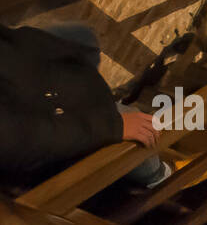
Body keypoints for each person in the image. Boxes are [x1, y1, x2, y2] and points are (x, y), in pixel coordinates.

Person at [0, 23, 168, 190]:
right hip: (40, 139)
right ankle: (160, 178)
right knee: (140, 125)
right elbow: (26, 141)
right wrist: (114, 126)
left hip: (18, 88)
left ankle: (107, 99)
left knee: (83, 39)